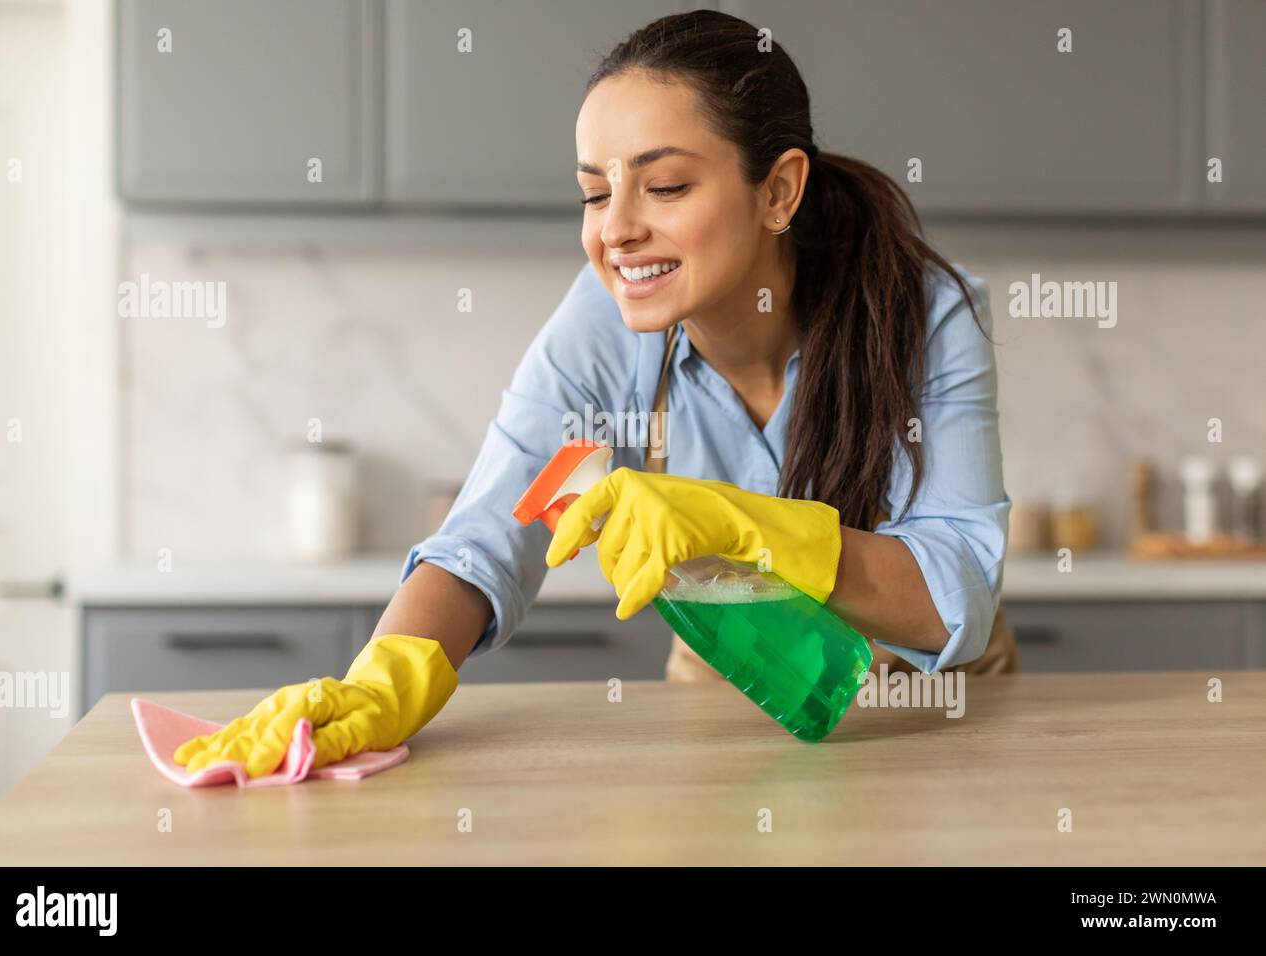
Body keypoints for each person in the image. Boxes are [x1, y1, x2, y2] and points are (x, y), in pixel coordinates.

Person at [174, 9, 1014, 777]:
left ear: (779, 190)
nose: (614, 229)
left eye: (667, 185)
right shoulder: (606, 324)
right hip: (736, 697)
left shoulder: (925, 313)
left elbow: (956, 596)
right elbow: (485, 535)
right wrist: (383, 683)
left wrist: (739, 522)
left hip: (934, 710)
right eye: (594, 191)